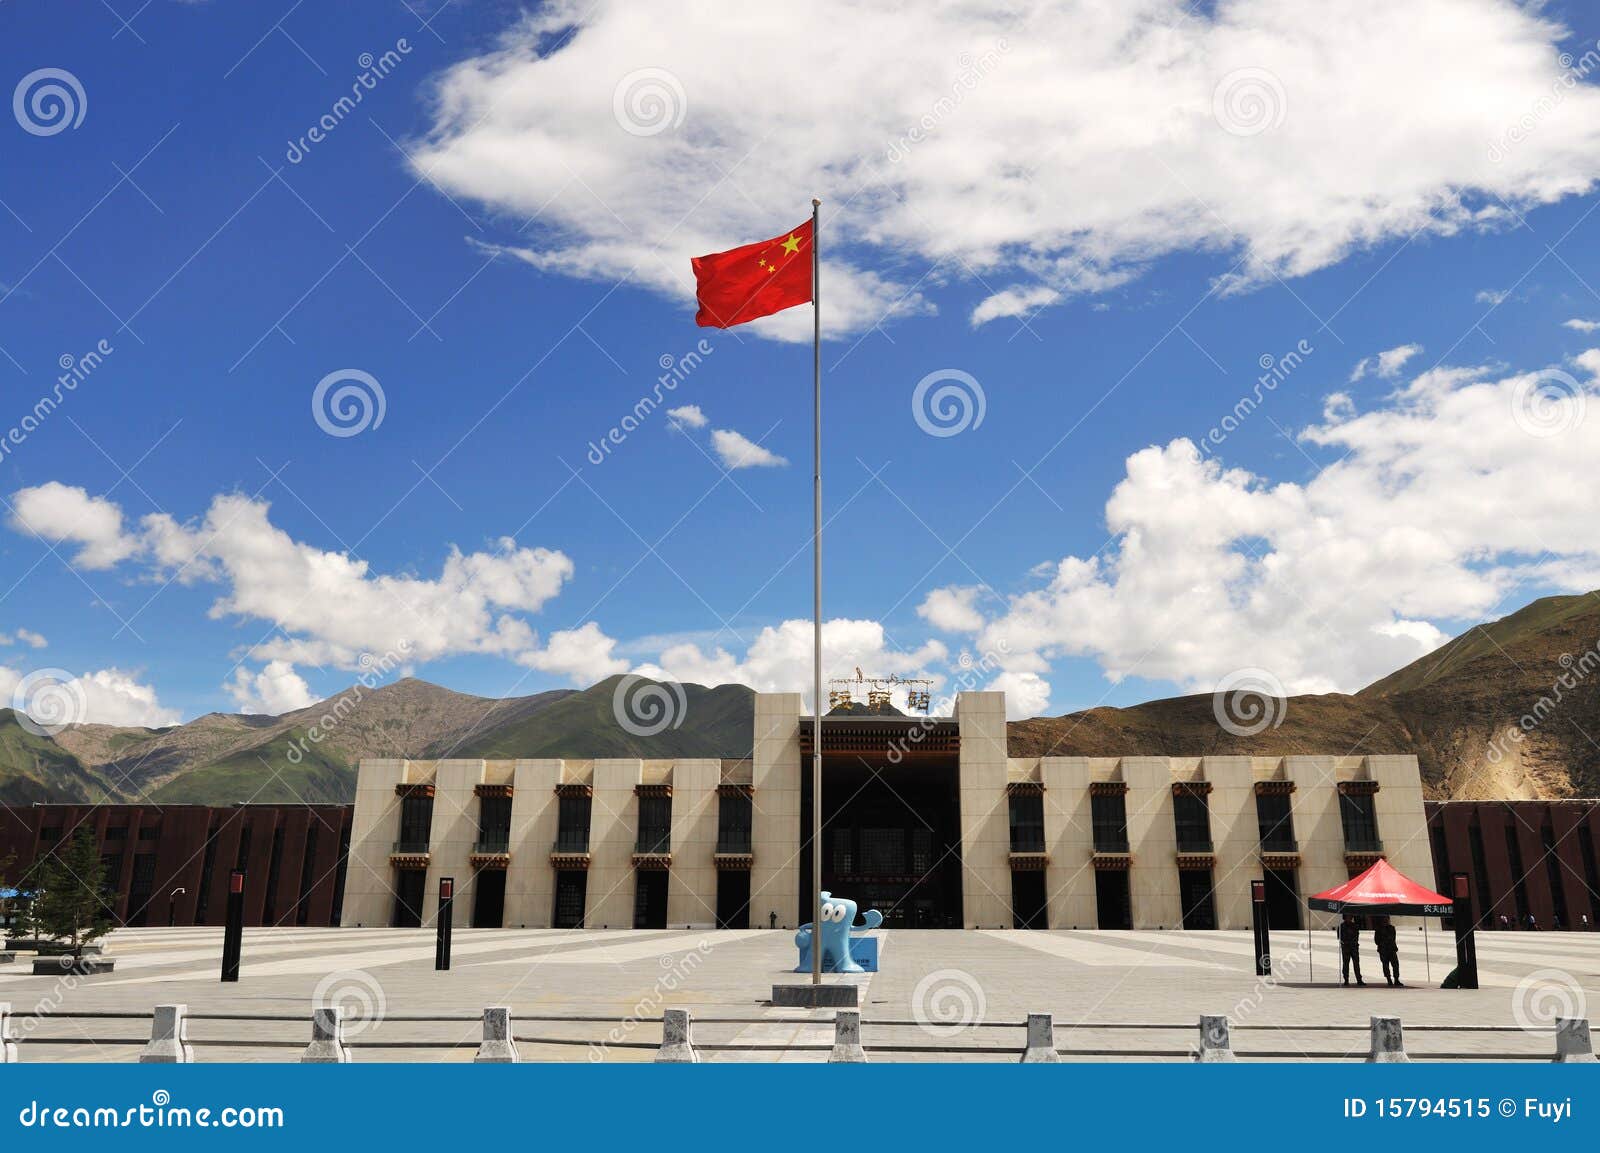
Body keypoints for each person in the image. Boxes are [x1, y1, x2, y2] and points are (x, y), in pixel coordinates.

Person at [1373, 916, 1403, 987]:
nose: (1386, 921)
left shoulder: (1392, 928)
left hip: (1392, 949)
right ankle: (1389, 979)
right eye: (1385, 919)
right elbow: (1376, 941)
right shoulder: (1378, 929)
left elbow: (1393, 938)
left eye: (1387, 919)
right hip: (1383, 950)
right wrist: (1383, 944)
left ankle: (1396, 979)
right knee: (1385, 965)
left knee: (1395, 964)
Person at [1338, 915, 1365, 986]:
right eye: (1347, 916)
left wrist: (1353, 942)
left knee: (1356, 964)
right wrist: (1345, 943)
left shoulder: (1355, 926)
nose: (1349, 918)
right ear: (1345, 917)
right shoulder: (1341, 926)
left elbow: (1357, 935)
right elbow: (1339, 937)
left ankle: (1359, 980)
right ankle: (1346, 980)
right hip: (1346, 948)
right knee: (1346, 964)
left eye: (1350, 917)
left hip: (1354, 947)